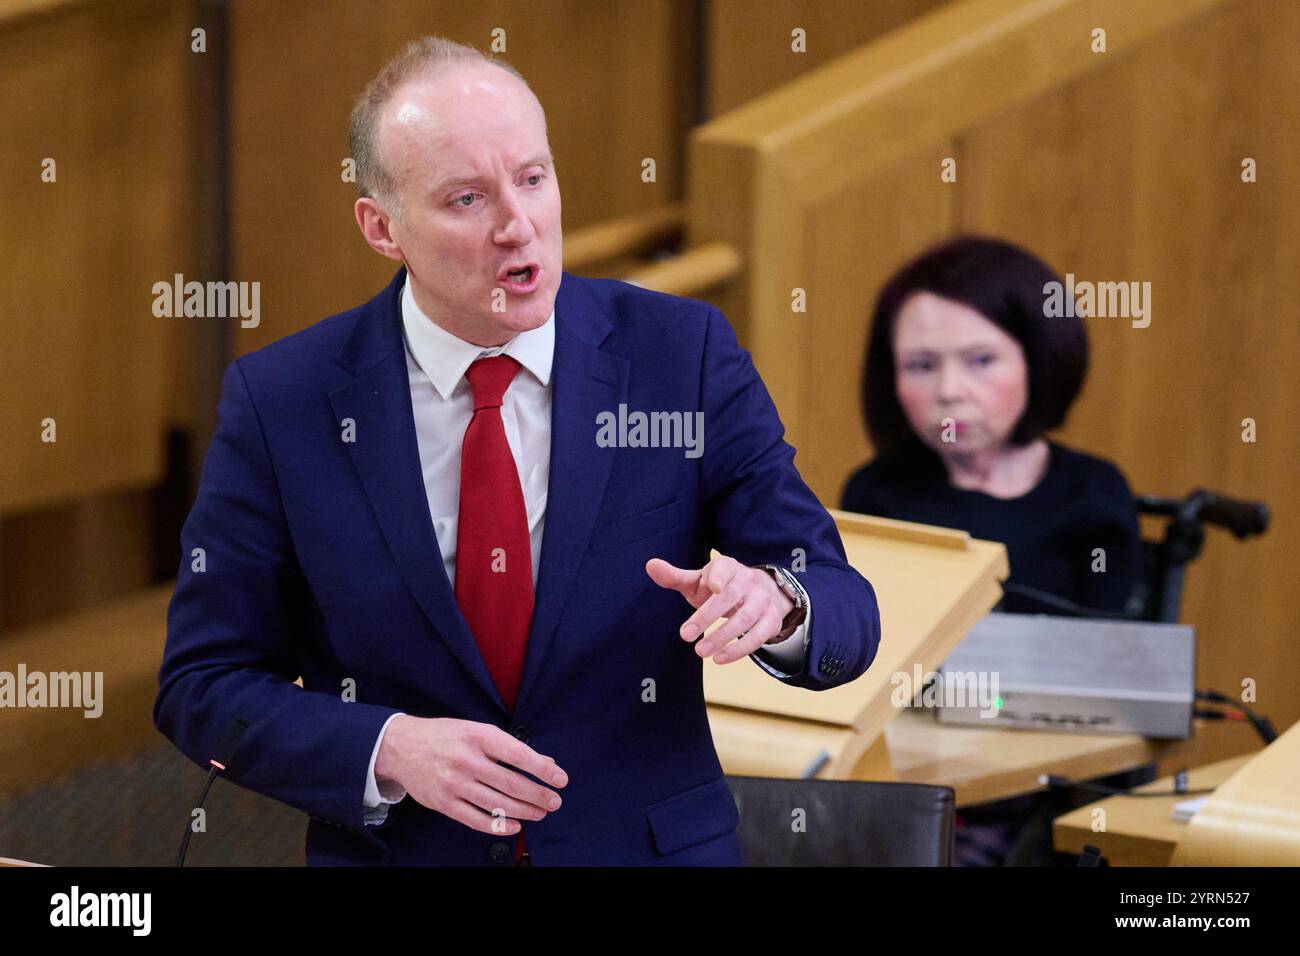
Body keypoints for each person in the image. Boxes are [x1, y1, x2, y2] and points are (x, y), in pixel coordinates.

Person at [153, 36, 881, 867]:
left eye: (534, 178)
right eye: (467, 199)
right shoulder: (284, 403)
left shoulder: (681, 354)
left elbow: (843, 606)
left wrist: (780, 605)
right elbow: (202, 684)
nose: (517, 223)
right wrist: (388, 749)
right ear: (381, 227)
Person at [841, 236, 1142, 865]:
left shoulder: (1094, 494)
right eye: (922, 365)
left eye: (981, 360)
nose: (951, 390)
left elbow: (1109, 681)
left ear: (1039, 360)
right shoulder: (875, 492)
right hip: (901, 779)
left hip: (1042, 789)